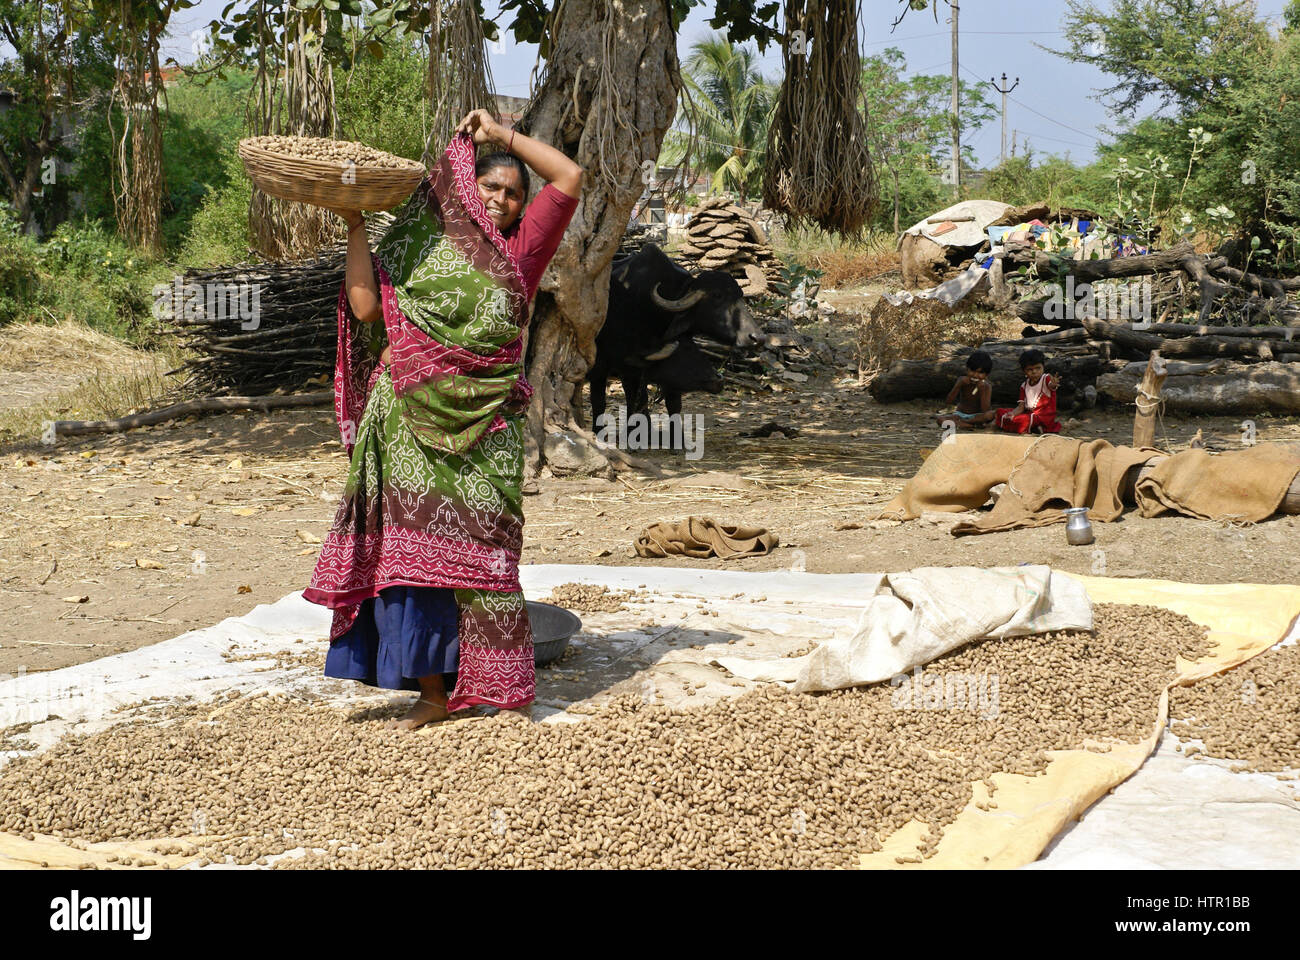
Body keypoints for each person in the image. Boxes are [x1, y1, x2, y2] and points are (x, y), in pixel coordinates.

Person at [305, 109, 583, 731]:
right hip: (406, 415)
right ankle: (432, 692)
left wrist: (501, 136)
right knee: (411, 556)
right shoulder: (422, 244)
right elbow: (367, 308)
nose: (505, 199)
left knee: (483, 557)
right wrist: (355, 227)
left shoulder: (522, 251)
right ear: (466, 191)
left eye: (514, 192)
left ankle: (490, 681)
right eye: (492, 187)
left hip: (485, 427)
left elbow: (568, 175)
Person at [994, 348, 1062, 434]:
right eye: (1030, 369)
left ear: (1043, 367)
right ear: (1024, 371)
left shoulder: (1046, 378)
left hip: (1043, 417)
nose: (1034, 372)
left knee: (1025, 420)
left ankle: (1037, 428)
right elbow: (1021, 407)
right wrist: (1013, 414)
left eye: (1038, 368)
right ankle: (1033, 428)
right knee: (1001, 412)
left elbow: (1051, 386)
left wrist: (1053, 384)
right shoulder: (1024, 386)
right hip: (1029, 415)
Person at [935, 350, 994, 430]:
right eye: (972, 371)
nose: (975, 375)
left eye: (980, 373)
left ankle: (964, 424)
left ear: (986, 375)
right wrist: (958, 385)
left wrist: (982, 391)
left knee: (989, 415)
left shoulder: (986, 386)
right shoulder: (962, 381)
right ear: (967, 369)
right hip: (960, 415)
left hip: (977, 416)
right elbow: (948, 401)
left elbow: (985, 410)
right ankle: (969, 425)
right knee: (940, 420)